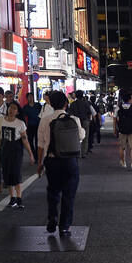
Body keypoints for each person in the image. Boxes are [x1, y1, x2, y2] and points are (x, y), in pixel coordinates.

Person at [36, 91, 85, 236]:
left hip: (52, 161)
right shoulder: (74, 119)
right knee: (69, 194)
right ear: (66, 103)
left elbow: (40, 144)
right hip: (70, 162)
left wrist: (40, 164)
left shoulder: (45, 120)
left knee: (53, 191)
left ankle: (52, 218)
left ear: (50, 103)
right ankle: (64, 226)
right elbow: (81, 136)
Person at [0, 100, 34, 208]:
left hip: (16, 151)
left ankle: (19, 198)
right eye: (10, 107)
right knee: (7, 173)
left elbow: (25, 140)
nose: (11, 110)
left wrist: (31, 154)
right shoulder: (1, 120)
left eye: (14, 108)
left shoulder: (20, 123)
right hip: (4, 150)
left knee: (16, 173)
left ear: (17, 112)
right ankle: (12, 198)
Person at [115, 92, 132, 170]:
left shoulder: (118, 107)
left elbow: (115, 118)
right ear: (130, 99)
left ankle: (123, 162)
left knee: (122, 147)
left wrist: (115, 128)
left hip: (121, 129)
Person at [70, 91, 94, 158]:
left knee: (75, 137)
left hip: (75, 122)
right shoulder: (86, 103)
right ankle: (83, 153)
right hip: (85, 121)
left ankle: (76, 152)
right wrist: (89, 120)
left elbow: (70, 113)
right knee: (85, 137)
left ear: (76, 96)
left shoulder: (73, 104)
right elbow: (89, 113)